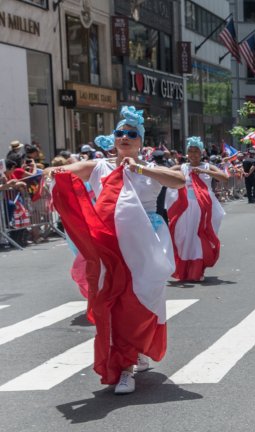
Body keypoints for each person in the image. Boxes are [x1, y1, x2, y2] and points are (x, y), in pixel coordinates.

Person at [47, 106, 185, 394]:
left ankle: (138, 348)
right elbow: (60, 172)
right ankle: (124, 367)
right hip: (111, 245)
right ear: (114, 138)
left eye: (131, 134)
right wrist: (44, 174)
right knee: (116, 304)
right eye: (120, 133)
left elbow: (179, 181)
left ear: (140, 141)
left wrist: (139, 168)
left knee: (145, 300)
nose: (124, 137)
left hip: (146, 245)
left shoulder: (149, 168)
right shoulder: (99, 166)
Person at [164, 136, 228, 282]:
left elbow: (224, 177)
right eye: (190, 151)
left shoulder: (207, 166)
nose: (193, 154)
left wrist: (207, 173)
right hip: (185, 207)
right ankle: (184, 269)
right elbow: (164, 173)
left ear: (201, 153)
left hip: (203, 208)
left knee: (199, 238)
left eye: (196, 151)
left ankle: (198, 270)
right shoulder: (182, 167)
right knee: (183, 237)